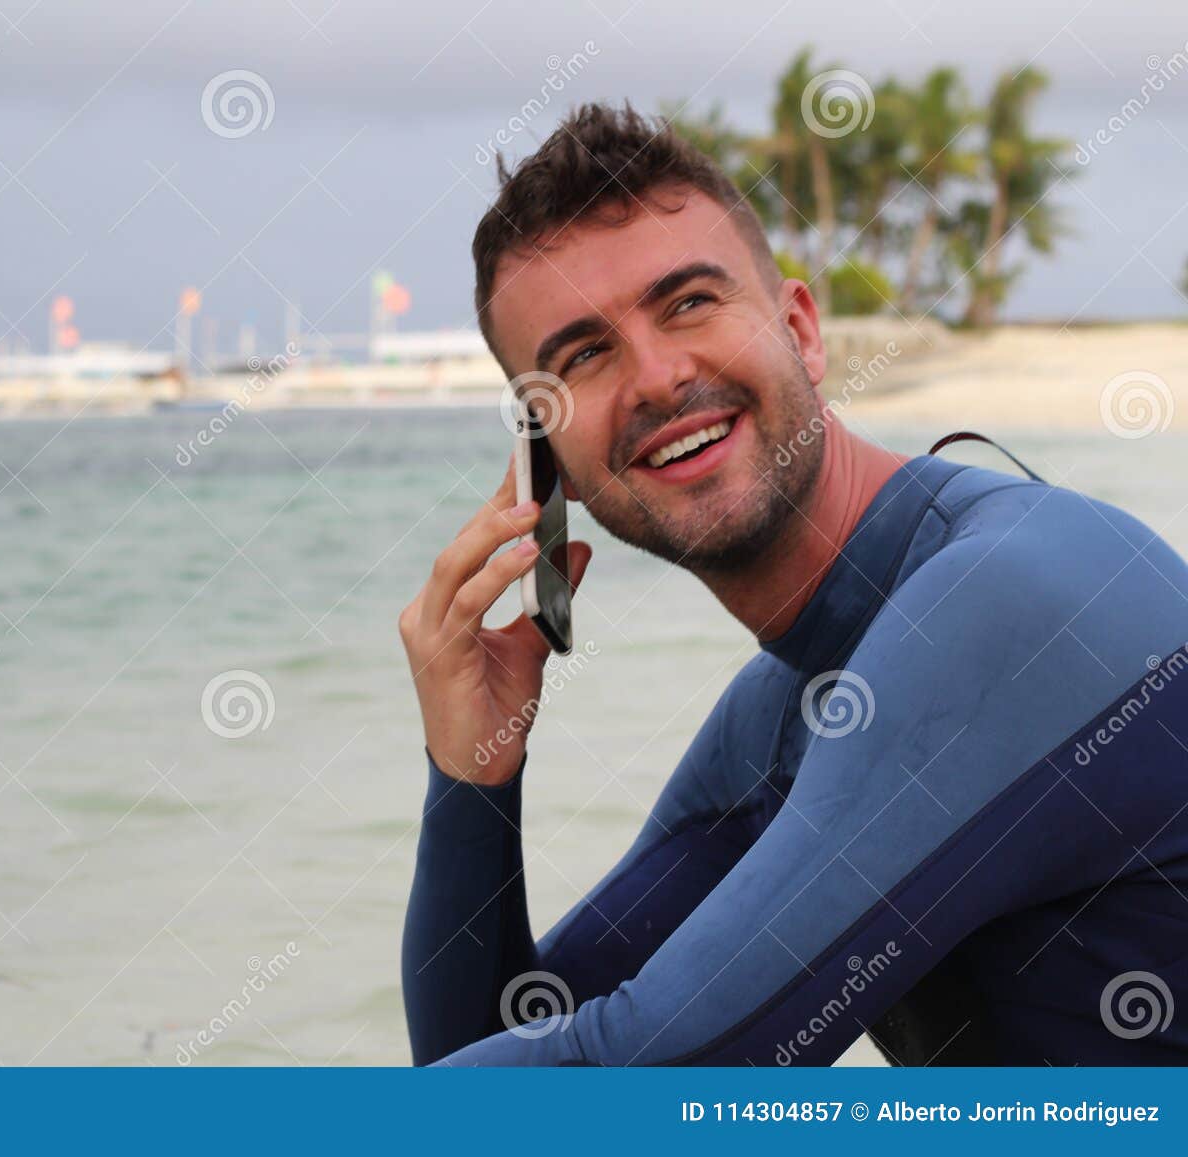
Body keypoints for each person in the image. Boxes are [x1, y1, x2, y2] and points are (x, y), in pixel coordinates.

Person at [396, 102, 1188, 1066]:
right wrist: (473, 772)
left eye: (689, 302)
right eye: (584, 356)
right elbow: (490, 1051)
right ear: (545, 455)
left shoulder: (1018, 598)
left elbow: (661, 1081)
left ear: (803, 332)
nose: (653, 377)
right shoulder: (782, 716)